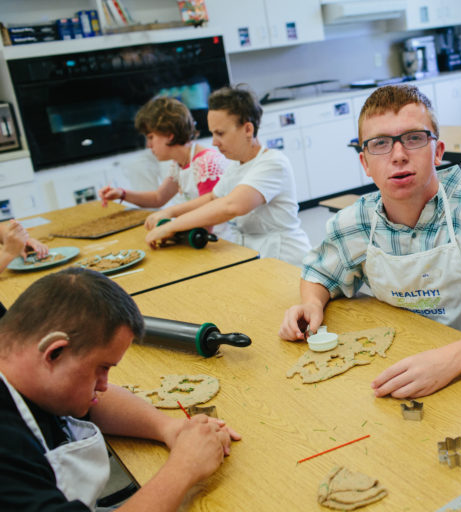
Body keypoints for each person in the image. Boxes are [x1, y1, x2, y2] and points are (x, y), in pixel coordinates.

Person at [279, 84, 461, 398]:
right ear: (364, 163)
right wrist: (310, 303)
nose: (398, 156)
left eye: (414, 139)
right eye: (380, 144)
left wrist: (449, 360)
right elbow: (320, 273)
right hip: (398, 368)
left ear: (438, 151)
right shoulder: (359, 221)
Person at [0, 267, 241, 510]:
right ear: (54, 352)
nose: (105, 385)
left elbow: (93, 400)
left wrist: (167, 427)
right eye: (102, 368)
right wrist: (183, 468)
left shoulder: (20, 357)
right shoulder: (7, 449)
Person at [145, 86, 311, 266]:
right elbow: (212, 198)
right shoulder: (235, 166)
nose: (214, 142)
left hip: (284, 259)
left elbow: (231, 206)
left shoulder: (273, 163)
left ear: (248, 129)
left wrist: (172, 226)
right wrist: (169, 212)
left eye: (220, 133)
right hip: (255, 254)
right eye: (212, 133)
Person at [99, 97, 226, 210]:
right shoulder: (179, 163)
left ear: (169, 135)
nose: (149, 145)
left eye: (151, 137)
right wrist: (122, 194)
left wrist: (169, 220)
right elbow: (158, 198)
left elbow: (209, 215)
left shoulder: (206, 164)